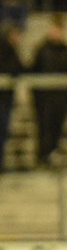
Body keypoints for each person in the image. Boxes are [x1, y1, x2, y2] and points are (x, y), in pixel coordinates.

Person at [30, 15, 67, 166]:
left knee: (57, 129)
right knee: (44, 129)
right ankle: (42, 158)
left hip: (61, 99)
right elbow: (33, 71)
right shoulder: (42, 50)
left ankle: (52, 155)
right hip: (44, 98)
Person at [0, 22, 23, 172]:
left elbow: (18, 69)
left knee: (3, 132)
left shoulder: (9, 49)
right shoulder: (6, 48)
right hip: (3, 99)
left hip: (5, 99)